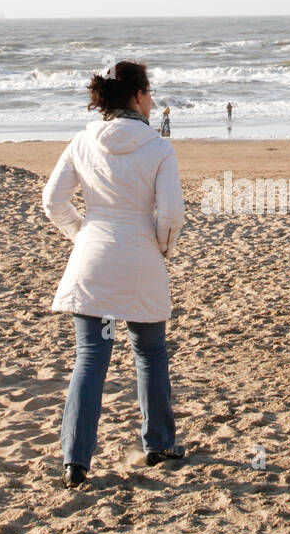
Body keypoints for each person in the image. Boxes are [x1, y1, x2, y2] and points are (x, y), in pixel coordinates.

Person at [42, 60, 185, 488]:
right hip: (140, 261)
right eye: (150, 92)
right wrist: (163, 247)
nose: (153, 99)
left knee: (91, 357)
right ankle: (157, 443)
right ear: (138, 96)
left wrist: (80, 233)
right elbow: (172, 214)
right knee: (150, 354)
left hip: (94, 261)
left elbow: (53, 200)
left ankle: (76, 460)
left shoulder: (82, 141)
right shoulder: (159, 147)